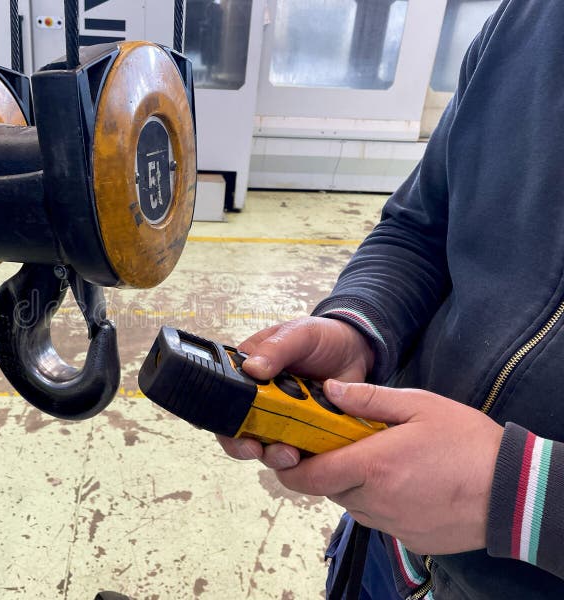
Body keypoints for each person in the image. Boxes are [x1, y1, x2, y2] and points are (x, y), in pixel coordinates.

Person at [218, 1, 564, 598]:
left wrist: (521, 498)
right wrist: (359, 324)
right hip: (387, 549)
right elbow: (420, 228)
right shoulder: (528, 19)